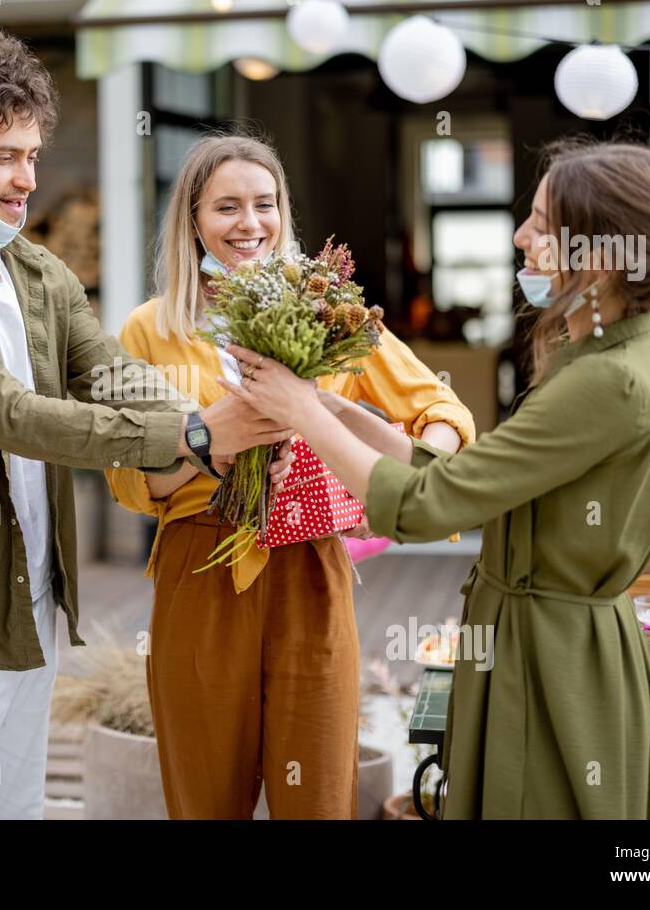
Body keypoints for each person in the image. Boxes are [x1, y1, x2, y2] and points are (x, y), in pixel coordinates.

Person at [220, 138, 650, 819]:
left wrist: (300, 413)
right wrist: (331, 405)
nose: (522, 235)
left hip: (552, 665)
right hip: (541, 645)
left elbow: (425, 507)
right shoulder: (605, 355)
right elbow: (466, 479)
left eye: (543, 223)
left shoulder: (605, 382)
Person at [0, 32, 288, 819]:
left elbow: (110, 372)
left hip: (36, 599)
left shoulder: (39, 272)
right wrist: (195, 438)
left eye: (32, 154)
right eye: (3, 156)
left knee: (17, 807)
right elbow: (10, 414)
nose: (26, 179)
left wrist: (204, 421)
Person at [104, 134, 475, 819]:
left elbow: (440, 408)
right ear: (192, 220)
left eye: (265, 204)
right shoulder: (150, 329)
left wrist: (422, 468)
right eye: (227, 207)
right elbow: (127, 477)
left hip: (309, 569)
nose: (250, 223)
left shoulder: (327, 314)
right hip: (199, 573)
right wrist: (207, 443)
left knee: (319, 796)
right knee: (205, 799)